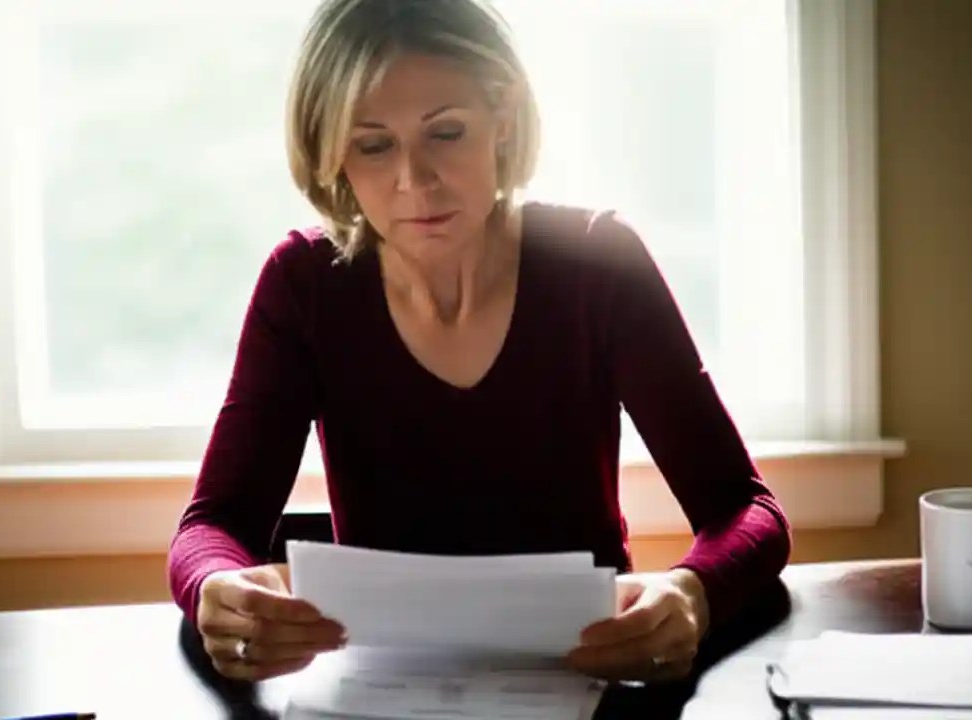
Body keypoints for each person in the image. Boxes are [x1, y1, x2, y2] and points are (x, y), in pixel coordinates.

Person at [168, 0, 791, 686]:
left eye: (447, 132)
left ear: (503, 118)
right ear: (333, 156)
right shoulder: (303, 286)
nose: (416, 179)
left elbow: (745, 509)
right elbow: (213, 525)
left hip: (589, 679)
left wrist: (690, 594)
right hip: (390, 692)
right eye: (374, 144)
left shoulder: (599, 264)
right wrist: (215, 588)